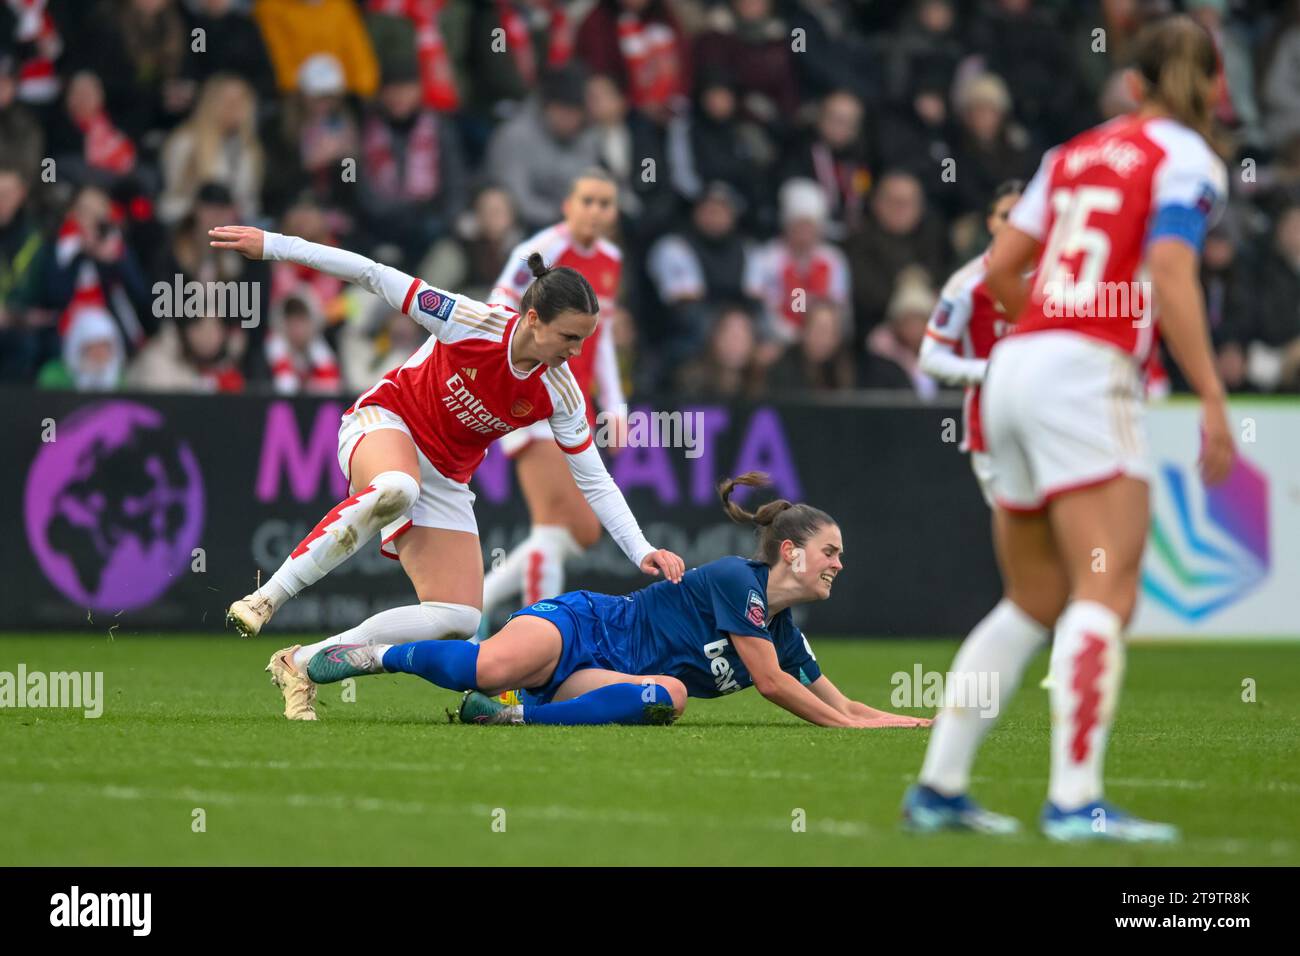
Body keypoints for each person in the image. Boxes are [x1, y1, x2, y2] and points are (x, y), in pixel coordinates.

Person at [903, 15, 1235, 842]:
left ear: (1132, 83)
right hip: (1084, 377)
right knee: (1106, 589)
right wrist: (1213, 396)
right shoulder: (1187, 157)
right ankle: (1074, 800)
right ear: (1213, 85)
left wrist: (1048, 333)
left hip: (1015, 367)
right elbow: (1168, 266)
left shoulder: (1072, 153)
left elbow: (1005, 270)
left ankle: (939, 788)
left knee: (1033, 597)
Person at [211, 224, 684, 720]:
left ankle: (301, 662)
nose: (575, 353)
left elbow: (593, 478)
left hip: (446, 475)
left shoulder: (560, 391)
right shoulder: (469, 321)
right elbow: (373, 274)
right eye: (568, 337)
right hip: (386, 421)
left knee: (458, 618)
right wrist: (274, 246)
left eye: (584, 341)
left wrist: (641, 548)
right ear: (532, 319)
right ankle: (267, 597)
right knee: (396, 486)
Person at [305, 473, 931, 730]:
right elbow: (769, 684)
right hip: (586, 624)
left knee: (670, 696)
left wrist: (909, 723)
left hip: (602, 677)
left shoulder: (786, 630)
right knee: (488, 666)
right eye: (830, 552)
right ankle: (375, 656)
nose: (839, 564)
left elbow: (842, 703)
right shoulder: (738, 582)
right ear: (791, 552)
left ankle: (510, 718)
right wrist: (847, 728)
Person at [478, 170, 627, 629]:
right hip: (527, 395)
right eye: (589, 201)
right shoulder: (542, 250)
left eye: (606, 203)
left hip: (571, 403)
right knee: (551, 524)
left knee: (579, 530)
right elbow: (498, 303)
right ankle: (536, 640)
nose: (597, 211)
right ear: (568, 205)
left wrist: (616, 404)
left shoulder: (610, 260)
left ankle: (478, 606)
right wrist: (518, 369)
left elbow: (599, 342)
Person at [918, 179, 1023, 504]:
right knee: (1017, 530)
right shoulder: (968, 283)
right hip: (993, 429)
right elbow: (930, 359)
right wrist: (991, 371)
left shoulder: (1061, 277)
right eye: (1007, 216)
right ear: (991, 222)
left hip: (1054, 420)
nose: (1017, 226)